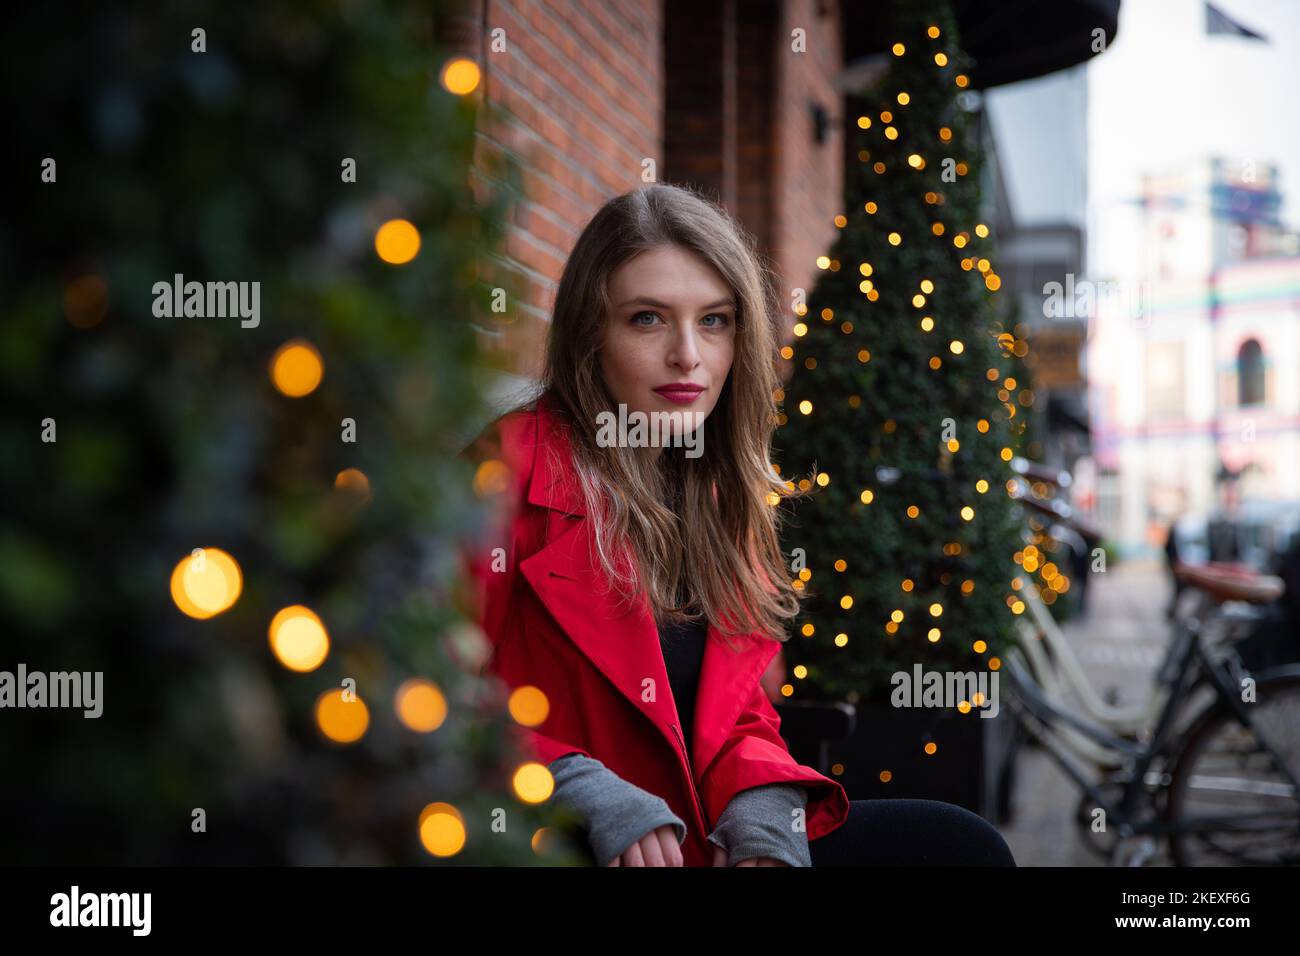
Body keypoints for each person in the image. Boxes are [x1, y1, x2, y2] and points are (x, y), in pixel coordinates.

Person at [461, 183, 1015, 868]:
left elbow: (739, 714)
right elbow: (425, 684)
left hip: (708, 844)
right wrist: (574, 788)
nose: (688, 355)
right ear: (588, 336)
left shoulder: (719, 491)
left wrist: (762, 807)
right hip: (559, 843)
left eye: (714, 320)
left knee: (959, 848)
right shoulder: (508, 466)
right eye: (647, 319)